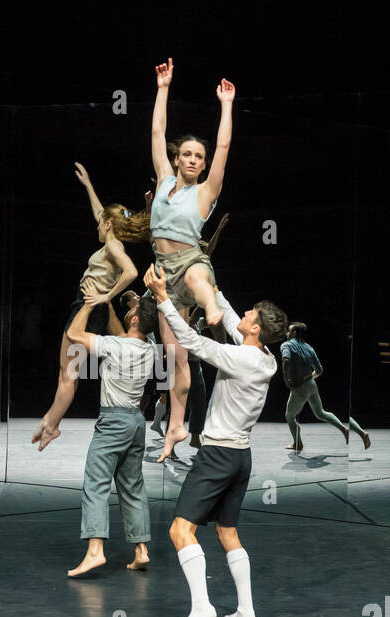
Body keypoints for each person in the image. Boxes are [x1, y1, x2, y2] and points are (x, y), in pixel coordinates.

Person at [144, 265, 287, 617]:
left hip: (218, 457)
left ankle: (201, 605)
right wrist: (210, 287)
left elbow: (192, 341)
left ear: (256, 329)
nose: (245, 316)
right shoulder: (264, 358)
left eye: (250, 315)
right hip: (241, 459)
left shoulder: (239, 359)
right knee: (227, 532)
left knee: (180, 530)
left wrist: (163, 300)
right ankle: (247, 612)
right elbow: (229, 313)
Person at [149, 57, 236, 463]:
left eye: (198, 157)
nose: (193, 160)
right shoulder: (165, 180)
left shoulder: (206, 193)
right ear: (178, 158)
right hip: (163, 276)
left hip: (190, 262)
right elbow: (156, 130)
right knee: (176, 362)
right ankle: (177, 427)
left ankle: (212, 306)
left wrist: (226, 104)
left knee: (201, 276)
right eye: (187, 154)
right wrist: (163, 88)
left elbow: (223, 146)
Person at [32, 163, 147, 450]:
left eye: (100, 223)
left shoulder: (112, 247)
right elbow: (100, 213)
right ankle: (51, 422)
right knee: (68, 374)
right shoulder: (111, 239)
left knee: (68, 374)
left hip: (88, 307)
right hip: (89, 306)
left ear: (108, 226)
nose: (97, 223)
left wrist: (107, 296)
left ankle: (52, 425)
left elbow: (131, 272)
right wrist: (88, 185)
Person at [62, 289, 157, 576]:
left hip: (113, 423)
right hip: (137, 422)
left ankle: (95, 551)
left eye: (133, 310)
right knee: (133, 487)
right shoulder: (150, 346)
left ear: (135, 319)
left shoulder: (115, 346)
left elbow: (75, 334)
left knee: (96, 485)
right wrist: (129, 302)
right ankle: (141, 550)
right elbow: (134, 324)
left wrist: (90, 305)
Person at [280, 321, 369, 452]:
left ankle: (297, 443)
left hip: (300, 387)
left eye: (289, 330)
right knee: (320, 413)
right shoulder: (309, 348)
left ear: (293, 333)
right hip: (312, 385)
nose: (287, 333)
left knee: (290, 416)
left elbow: (286, 360)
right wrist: (308, 379)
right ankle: (347, 430)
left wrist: (287, 379)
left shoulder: (286, 345)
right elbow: (319, 370)